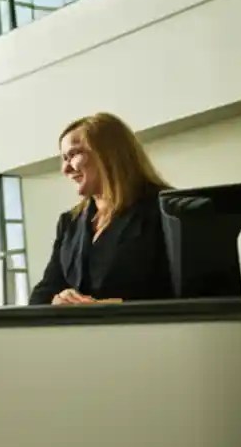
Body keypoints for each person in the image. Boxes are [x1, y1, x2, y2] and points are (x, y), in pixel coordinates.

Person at [30, 112, 173, 306]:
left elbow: (192, 292)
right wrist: (56, 300)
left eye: (74, 154)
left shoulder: (167, 211)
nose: (65, 168)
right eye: (63, 158)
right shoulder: (69, 223)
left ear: (110, 153)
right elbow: (43, 293)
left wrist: (112, 306)